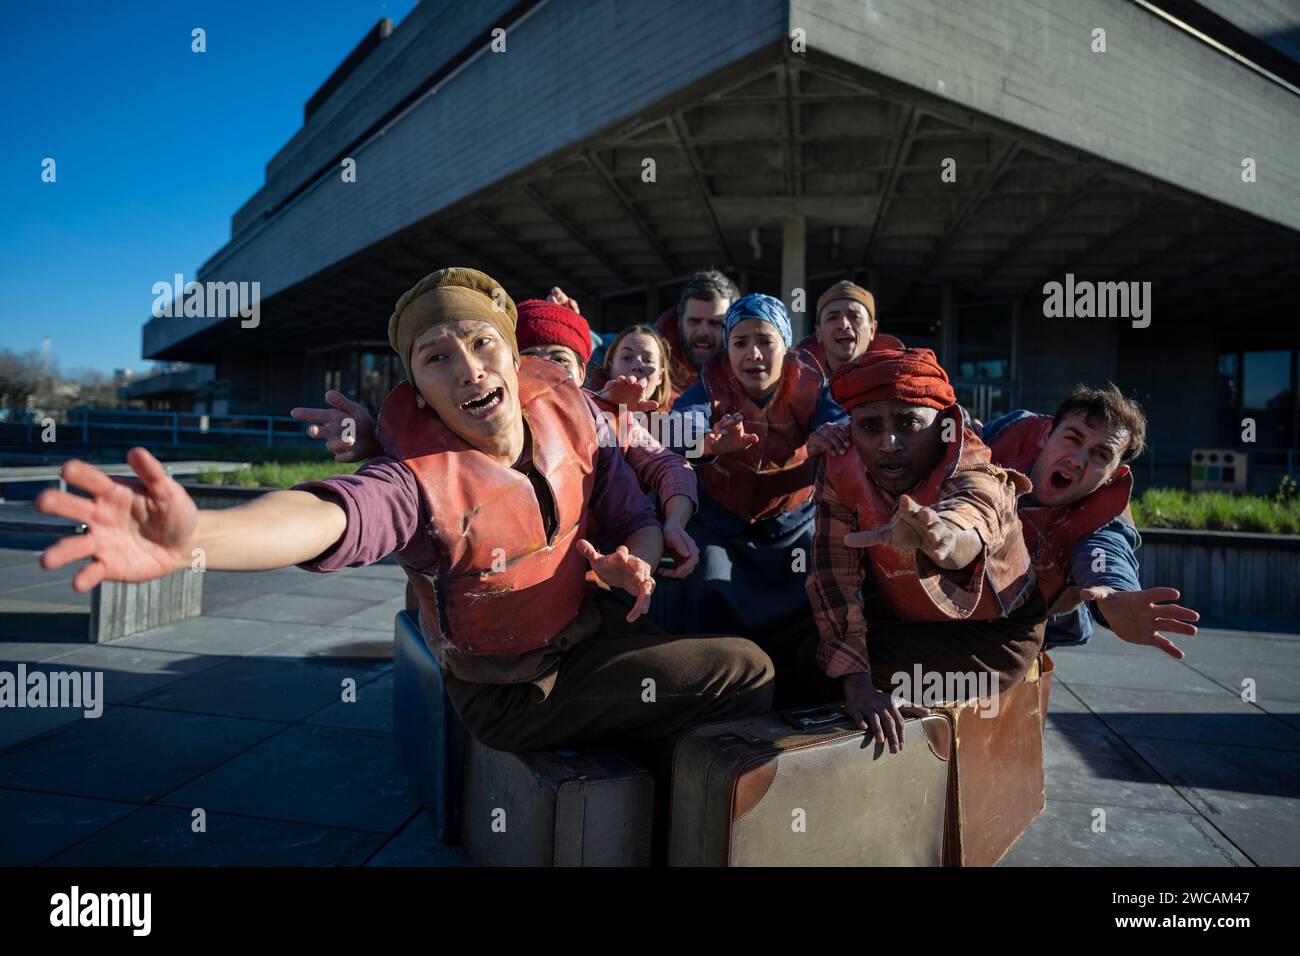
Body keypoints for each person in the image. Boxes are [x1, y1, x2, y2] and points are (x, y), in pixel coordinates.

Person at [37, 268, 774, 752]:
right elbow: (332, 515)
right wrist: (199, 535)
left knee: (708, 617)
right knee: (746, 672)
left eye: (482, 344)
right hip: (514, 690)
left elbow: (629, 510)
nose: (468, 368)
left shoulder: (574, 417)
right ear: (419, 391)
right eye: (436, 357)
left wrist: (637, 559)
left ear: (516, 361)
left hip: (588, 633)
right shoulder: (413, 481)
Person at [293, 297, 703, 578]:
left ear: (581, 372)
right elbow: (406, 484)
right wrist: (378, 441)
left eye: (558, 361)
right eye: (532, 359)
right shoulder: (477, 423)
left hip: (588, 581)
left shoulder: (602, 417)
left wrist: (669, 529)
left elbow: (665, 464)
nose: (544, 373)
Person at [803, 347, 1045, 751]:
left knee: (814, 670)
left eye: (908, 423)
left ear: (942, 427)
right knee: (799, 645)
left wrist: (941, 539)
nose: (888, 443)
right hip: (908, 618)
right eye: (870, 426)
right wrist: (858, 686)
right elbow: (833, 579)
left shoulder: (970, 464)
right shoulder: (841, 467)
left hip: (995, 637)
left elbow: (972, 516)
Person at [646, 293, 850, 641]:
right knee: (707, 583)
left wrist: (828, 435)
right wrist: (708, 443)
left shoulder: (810, 380)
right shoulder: (710, 380)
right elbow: (682, 426)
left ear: (785, 345)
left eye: (765, 342)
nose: (753, 354)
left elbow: (838, 420)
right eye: (740, 342)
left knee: (818, 587)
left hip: (792, 524)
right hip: (719, 524)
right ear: (728, 350)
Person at [981, 385, 1200, 658]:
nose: (1077, 460)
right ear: (1046, 434)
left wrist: (1114, 589)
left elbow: (1104, 554)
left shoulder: (1105, 516)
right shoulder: (1006, 436)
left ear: (1113, 475)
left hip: (1042, 613)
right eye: (1073, 439)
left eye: (1100, 455)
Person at [793, 280, 904, 378]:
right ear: (818, 333)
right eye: (833, 317)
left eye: (854, 316)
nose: (844, 325)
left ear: (872, 330)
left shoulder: (896, 383)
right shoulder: (793, 389)